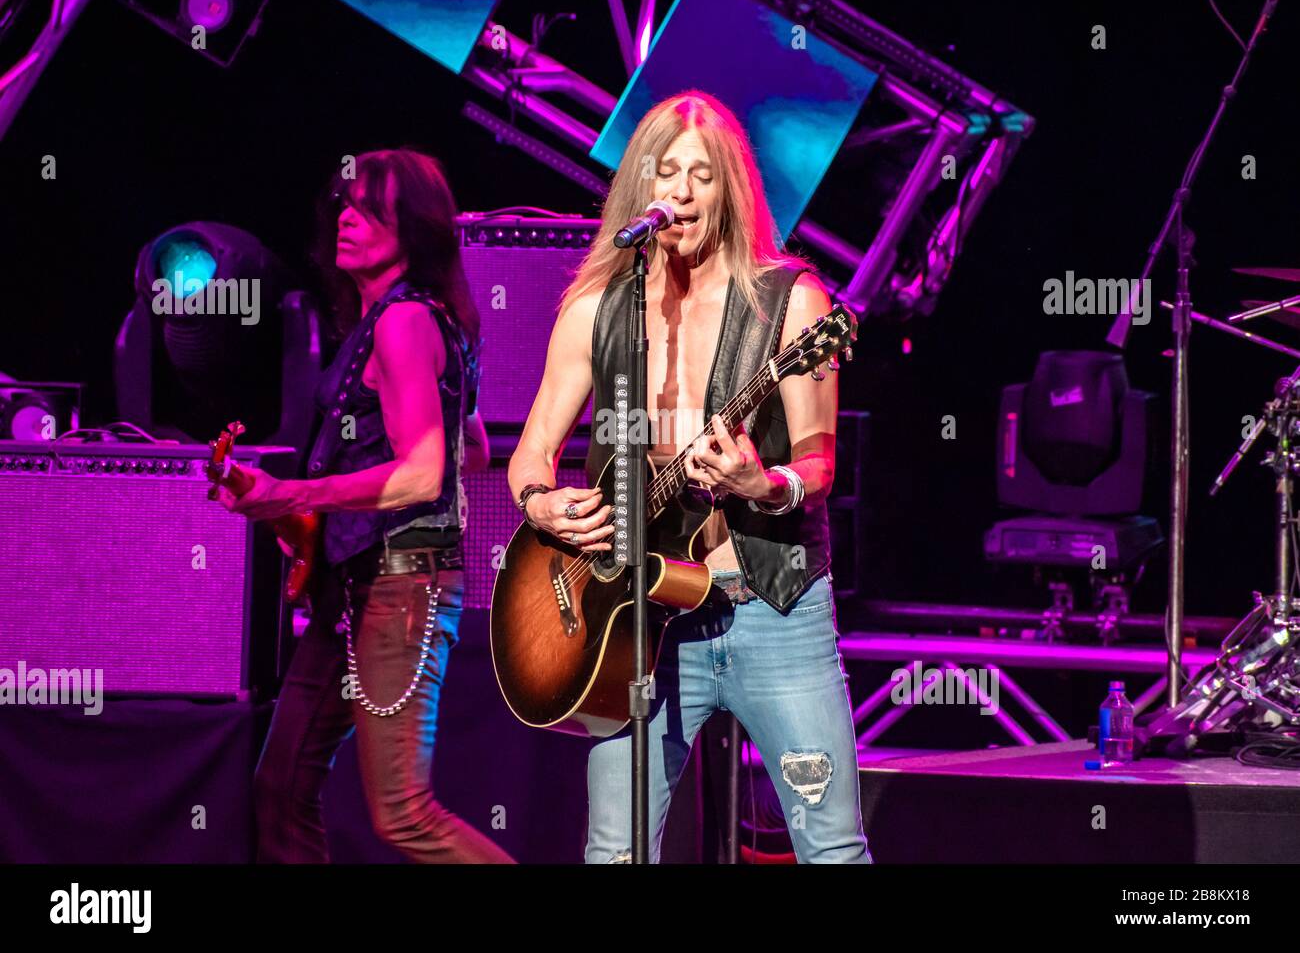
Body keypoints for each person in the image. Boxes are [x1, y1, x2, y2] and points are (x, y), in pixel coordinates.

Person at [508, 93, 870, 863]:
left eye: (702, 174)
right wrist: (544, 504)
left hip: (771, 606)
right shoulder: (598, 308)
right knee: (615, 854)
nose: (682, 190)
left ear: (730, 189)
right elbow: (530, 452)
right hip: (633, 622)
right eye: (665, 171)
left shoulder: (792, 301)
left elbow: (818, 465)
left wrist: (758, 484)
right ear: (639, 191)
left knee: (831, 849)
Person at [218, 148, 512, 863]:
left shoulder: (404, 322)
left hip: (400, 588)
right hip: (358, 586)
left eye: (368, 210)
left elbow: (423, 473)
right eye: (342, 206)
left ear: (410, 226)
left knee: (405, 815)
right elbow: (467, 449)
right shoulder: (406, 318)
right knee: (282, 785)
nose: (345, 219)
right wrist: (302, 515)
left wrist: (297, 493)